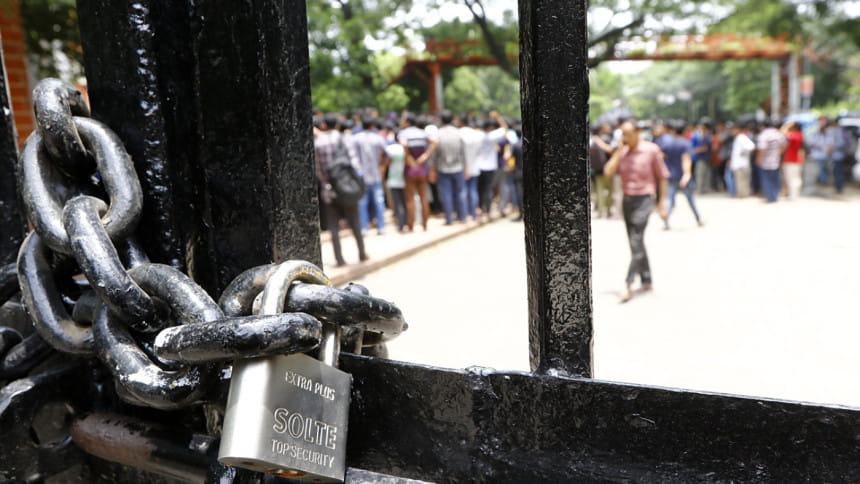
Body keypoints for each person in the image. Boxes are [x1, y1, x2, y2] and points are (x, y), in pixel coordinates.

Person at [604, 120, 670, 303]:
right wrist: (618, 151)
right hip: (627, 199)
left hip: (645, 198)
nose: (624, 138)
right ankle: (647, 279)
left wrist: (662, 202)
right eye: (622, 134)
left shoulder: (651, 150)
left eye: (627, 134)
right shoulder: (623, 152)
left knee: (636, 239)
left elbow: (663, 177)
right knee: (636, 241)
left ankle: (629, 283)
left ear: (637, 133)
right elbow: (608, 172)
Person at [314, 113, 367, 266]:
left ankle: (340, 259)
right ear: (337, 125)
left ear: (323, 126)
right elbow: (355, 164)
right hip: (347, 187)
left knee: (334, 227)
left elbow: (319, 170)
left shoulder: (318, 143)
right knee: (355, 223)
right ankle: (362, 253)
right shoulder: (345, 139)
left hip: (329, 189)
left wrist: (326, 182)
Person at [655, 120, 702, 230]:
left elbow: (660, 156)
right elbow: (686, 159)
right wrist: (687, 174)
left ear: (674, 131)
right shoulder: (686, 143)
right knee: (690, 199)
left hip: (671, 176)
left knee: (670, 200)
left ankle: (666, 222)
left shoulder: (668, 144)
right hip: (682, 176)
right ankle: (698, 219)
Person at [398, 113, 438, 231]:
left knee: (410, 199)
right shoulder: (422, 133)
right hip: (421, 168)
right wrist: (425, 156)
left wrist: (408, 157)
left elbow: (404, 144)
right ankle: (425, 224)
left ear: (407, 122)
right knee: (423, 197)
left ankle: (410, 225)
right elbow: (435, 142)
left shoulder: (403, 133)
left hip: (410, 168)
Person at [352, 117, 388, 234]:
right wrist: (383, 167)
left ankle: (364, 228)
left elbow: (352, 157)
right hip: (376, 174)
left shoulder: (356, 139)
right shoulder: (378, 138)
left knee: (362, 203)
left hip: (361, 175)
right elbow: (388, 154)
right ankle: (381, 227)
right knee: (379, 202)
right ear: (372, 126)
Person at [431, 111, 468, 225]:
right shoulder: (458, 133)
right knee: (460, 192)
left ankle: (449, 219)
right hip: (458, 167)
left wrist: (432, 170)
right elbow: (463, 154)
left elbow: (434, 155)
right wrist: (466, 169)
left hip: (443, 168)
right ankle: (463, 217)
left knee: (446, 194)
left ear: (441, 120)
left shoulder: (438, 134)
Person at [756, 120, 786, 203]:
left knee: (766, 179)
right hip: (776, 161)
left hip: (765, 162)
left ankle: (769, 197)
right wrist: (778, 154)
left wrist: (759, 159)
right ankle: (775, 196)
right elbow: (784, 145)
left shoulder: (764, 135)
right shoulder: (778, 134)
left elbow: (762, 149)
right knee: (775, 179)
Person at [590, 123, 615, 218]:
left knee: (600, 191)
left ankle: (601, 211)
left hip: (598, 170)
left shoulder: (595, 140)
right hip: (608, 169)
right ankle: (608, 211)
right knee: (609, 191)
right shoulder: (608, 139)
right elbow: (611, 150)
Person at [729, 123, 755, 198]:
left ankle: (742, 195)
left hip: (741, 163)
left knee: (741, 180)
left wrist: (743, 152)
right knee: (740, 180)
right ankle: (742, 194)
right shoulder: (738, 138)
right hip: (739, 163)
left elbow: (751, 146)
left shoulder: (741, 137)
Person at [780, 120, 804, 200]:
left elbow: (782, 132)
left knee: (793, 179)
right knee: (792, 178)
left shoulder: (796, 135)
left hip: (792, 160)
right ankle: (792, 194)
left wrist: (787, 125)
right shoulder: (798, 135)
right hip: (792, 160)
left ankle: (793, 196)